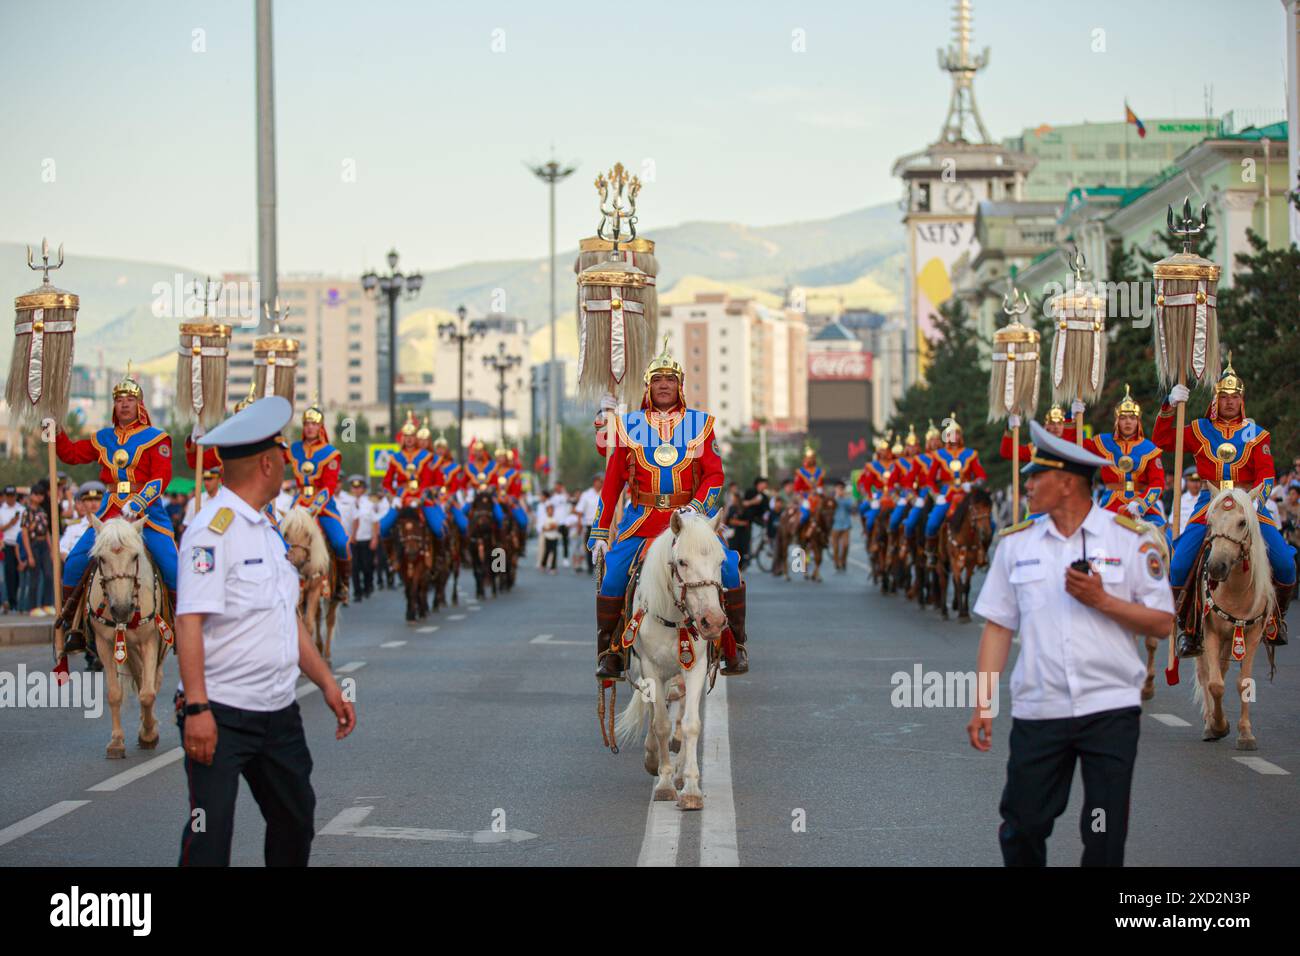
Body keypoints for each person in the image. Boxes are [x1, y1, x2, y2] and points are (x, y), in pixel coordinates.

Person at [968, 421, 1176, 867]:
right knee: (1022, 826)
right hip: (1040, 711)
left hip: (1109, 710)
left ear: (1066, 484)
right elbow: (999, 627)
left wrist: (1102, 600)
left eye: (1035, 477)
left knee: (1103, 834)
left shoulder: (1132, 540)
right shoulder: (1014, 544)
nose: (1026, 485)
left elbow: (1161, 623)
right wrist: (984, 703)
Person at [175, 395, 356, 867]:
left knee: (296, 817)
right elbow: (189, 619)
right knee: (210, 838)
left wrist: (328, 684)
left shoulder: (268, 530)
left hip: (277, 710)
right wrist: (196, 707)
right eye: (282, 455)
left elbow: (286, 619)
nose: (287, 463)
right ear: (267, 463)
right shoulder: (211, 531)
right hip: (222, 712)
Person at [588, 338, 747, 679]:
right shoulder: (627, 425)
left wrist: (695, 508)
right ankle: (611, 651)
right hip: (641, 521)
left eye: (670, 380)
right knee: (614, 574)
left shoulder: (701, 424)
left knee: (729, 567)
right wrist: (601, 532)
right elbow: (612, 483)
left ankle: (733, 645)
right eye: (657, 379)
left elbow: (715, 474)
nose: (664, 385)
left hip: (690, 520)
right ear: (648, 386)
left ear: (680, 386)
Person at [1155, 358, 1295, 654]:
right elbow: (1162, 440)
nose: (1229, 402)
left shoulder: (1257, 434)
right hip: (1211, 503)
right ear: (1215, 400)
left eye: (1235, 397)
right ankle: (1189, 628)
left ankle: (1275, 619)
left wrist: (1256, 498)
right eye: (1224, 397)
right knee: (1179, 566)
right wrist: (1168, 406)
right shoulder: (1197, 429)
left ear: (1242, 400)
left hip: (1248, 501)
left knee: (1284, 563)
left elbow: (1267, 474)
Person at [54, 368, 178, 651]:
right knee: (74, 561)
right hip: (110, 511)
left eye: (129, 399)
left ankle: (178, 625)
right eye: (119, 399)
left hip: (147, 513)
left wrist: (140, 501)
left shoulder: (157, 438)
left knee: (172, 566)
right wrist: (56, 430)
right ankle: (73, 624)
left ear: (140, 405)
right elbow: (71, 454)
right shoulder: (103, 438)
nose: (123, 404)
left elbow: (161, 478)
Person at [286, 401, 351, 603]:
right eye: (306, 424)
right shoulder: (294, 449)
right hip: (299, 503)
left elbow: (329, 487)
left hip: (323, 506)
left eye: (313, 424)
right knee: (280, 536)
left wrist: (314, 508)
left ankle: (342, 583)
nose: (309, 427)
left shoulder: (330, 453)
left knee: (340, 542)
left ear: (320, 427)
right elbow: (275, 456)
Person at [1083, 385, 1166, 530]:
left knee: (1165, 536)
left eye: (1132, 418)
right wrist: (1073, 419)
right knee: (1094, 533)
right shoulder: (1103, 442)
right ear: (1117, 421)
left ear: (1138, 421)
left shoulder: (1149, 449)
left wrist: (1142, 504)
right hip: (1111, 502)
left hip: (1141, 504)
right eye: (1123, 418)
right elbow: (1077, 446)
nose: (1128, 422)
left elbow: (1158, 483)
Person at [925, 413, 987, 564]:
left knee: (986, 523)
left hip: (966, 494)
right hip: (947, 495)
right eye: (950, 434)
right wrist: (936, 495)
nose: (954, 437)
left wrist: (972, 484)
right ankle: (931, 553)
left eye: (957, 434)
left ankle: (982, 553)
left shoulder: (971, 454)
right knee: (932, 523)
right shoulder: (938, 455)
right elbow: (930, 480)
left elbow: (981, 476)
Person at [21, 482, 55, 616]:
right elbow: (24, 534)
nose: (39, 497)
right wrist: (29, 555)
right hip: (33, 544)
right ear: (31, 495)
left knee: (48, 575)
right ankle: (33, 606)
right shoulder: (26, 512)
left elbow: (47, 531)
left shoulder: (42, 511)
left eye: (41, 494)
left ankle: (47, 604)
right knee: (34, 577)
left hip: (44, 544)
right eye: (37, 494)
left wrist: (51, 549)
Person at [345, 478, 377, 600]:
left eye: (359, 488)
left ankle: (368, 586)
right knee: (354, 567)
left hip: (366, 538)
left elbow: (375, 522)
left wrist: (375, 538)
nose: (356, 490)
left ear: (363, 489)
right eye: (354, 488)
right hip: (352, 539)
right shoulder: (346, 502)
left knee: (367, 565)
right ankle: (357, 592)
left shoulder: (369, 503)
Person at [59, 482, 105, 561]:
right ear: (83, 503)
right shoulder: (73, 527)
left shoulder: (110, 525)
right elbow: (62, 548)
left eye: (97, 499)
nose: (93, 503)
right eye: (89, 500)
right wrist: (71, 561)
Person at [1, 486, 23, 613]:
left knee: (21, 576)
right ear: (5, 496)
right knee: (10, 575)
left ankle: (20, 603)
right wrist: (11, 523)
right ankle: (12, 602)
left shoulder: (21, 509)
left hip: (20, 545)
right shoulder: (1, 510)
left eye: (13, 496)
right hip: (8, 544)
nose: (11, 498)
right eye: (8, 496)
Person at [575, 473, 602, 575]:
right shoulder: (586, 495)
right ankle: (590, 566)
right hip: (589, 524)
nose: (600, 483)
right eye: (599, 481)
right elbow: (580, 511)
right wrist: (579, 524)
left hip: (601, 525)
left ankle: (598, 565)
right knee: (589, 546)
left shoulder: (604, 492)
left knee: (600, 546)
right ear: (594, 482)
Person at [830, 480, 854, 571]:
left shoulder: (847, 499)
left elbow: (851, 507)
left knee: (845, 545)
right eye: (838, 488)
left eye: (841, 489)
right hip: (835, 525)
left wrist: (842, 497)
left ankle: (843, 560)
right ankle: (836, 562)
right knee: (835, 547)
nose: (840, 490)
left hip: (845, 525)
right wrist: (836, 498)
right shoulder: (832, 499)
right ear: (835, 489)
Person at [1178, 467, 1202, 531]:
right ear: (1186, 482)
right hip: (1181, 535)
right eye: (1192, 481)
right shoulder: (1180, 499)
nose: (1196, 484)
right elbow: (1172, 522)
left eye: (1198, 480)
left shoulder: (1204, 499)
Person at [540, 504, 560, 573]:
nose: (550, 512)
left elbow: (556, 526)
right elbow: (543, 528)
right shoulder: (544, 519)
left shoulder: (555, 518)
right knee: (547, 552)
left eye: (552, 510)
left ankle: (553, 567)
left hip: (554, 537)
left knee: (554, 552)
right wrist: (551, 527)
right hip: (547, 537)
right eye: (549, 510)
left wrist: (550, 527)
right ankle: (543, 565)